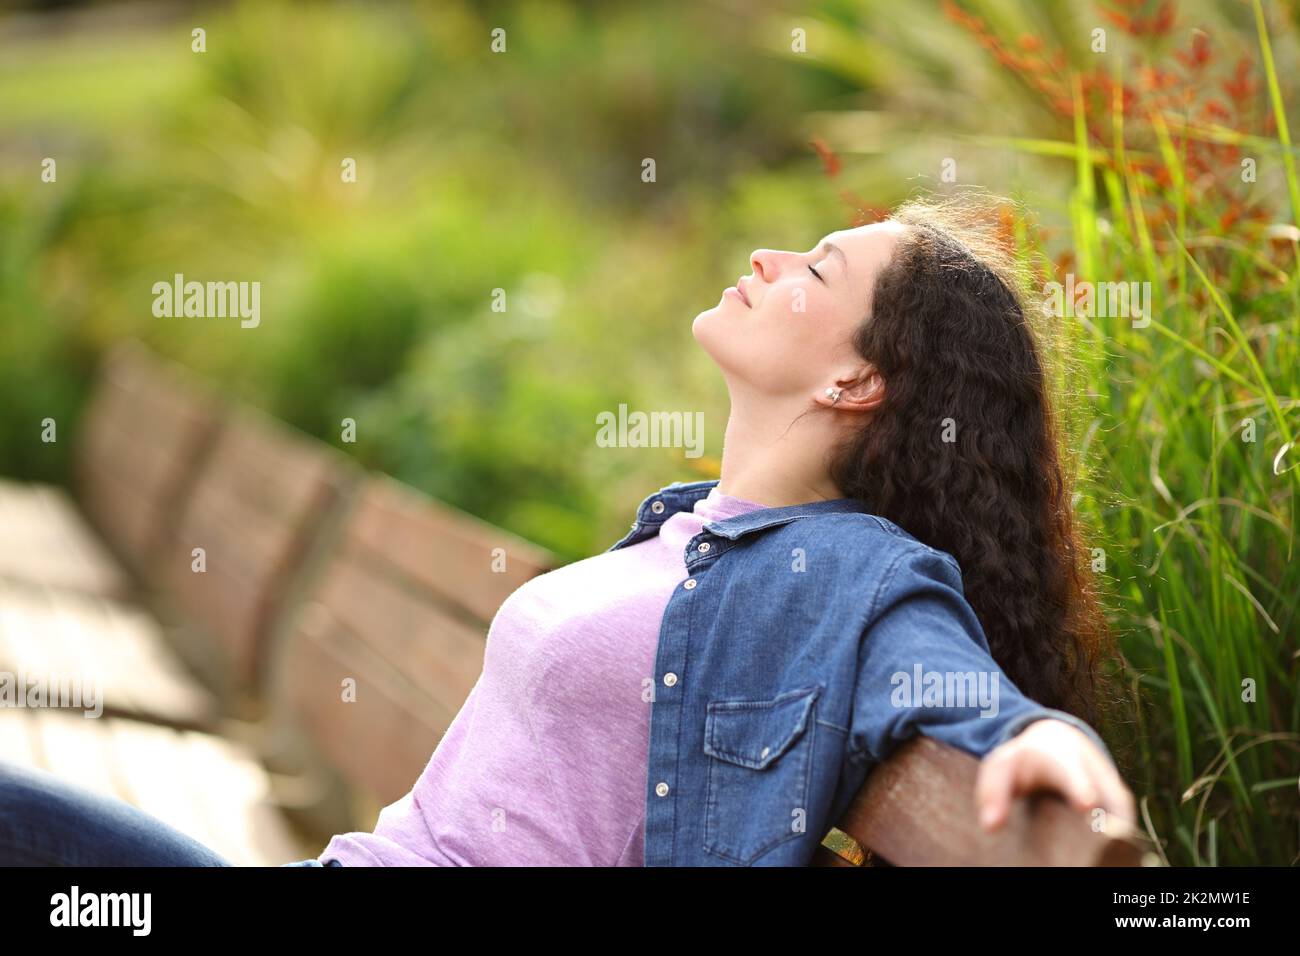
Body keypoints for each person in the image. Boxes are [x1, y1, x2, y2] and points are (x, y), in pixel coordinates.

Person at [0, 193, 1134, 867]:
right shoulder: (682, 531)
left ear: (854, 376)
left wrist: (1045, 744)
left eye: (815, 268)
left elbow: (944, 682)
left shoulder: (845, 571)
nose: (765, 259)